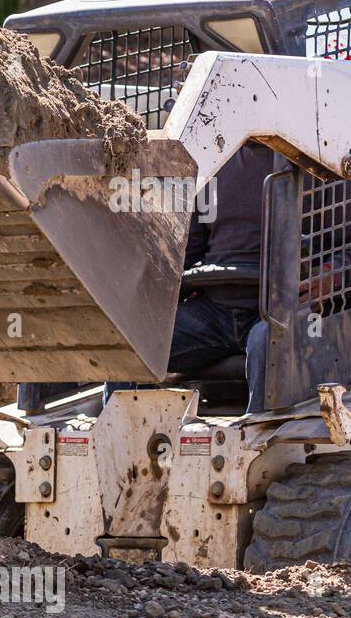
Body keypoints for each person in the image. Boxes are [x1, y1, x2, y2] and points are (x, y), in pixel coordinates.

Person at [103, 142, 271, 414]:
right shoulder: (214, 163)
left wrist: (326, 280)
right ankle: (127, 441)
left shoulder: (315, 162)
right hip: (216, 311)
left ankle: (257, 439)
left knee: (266, 341)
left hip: (275, 310)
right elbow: (188, 249)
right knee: (135, 341)